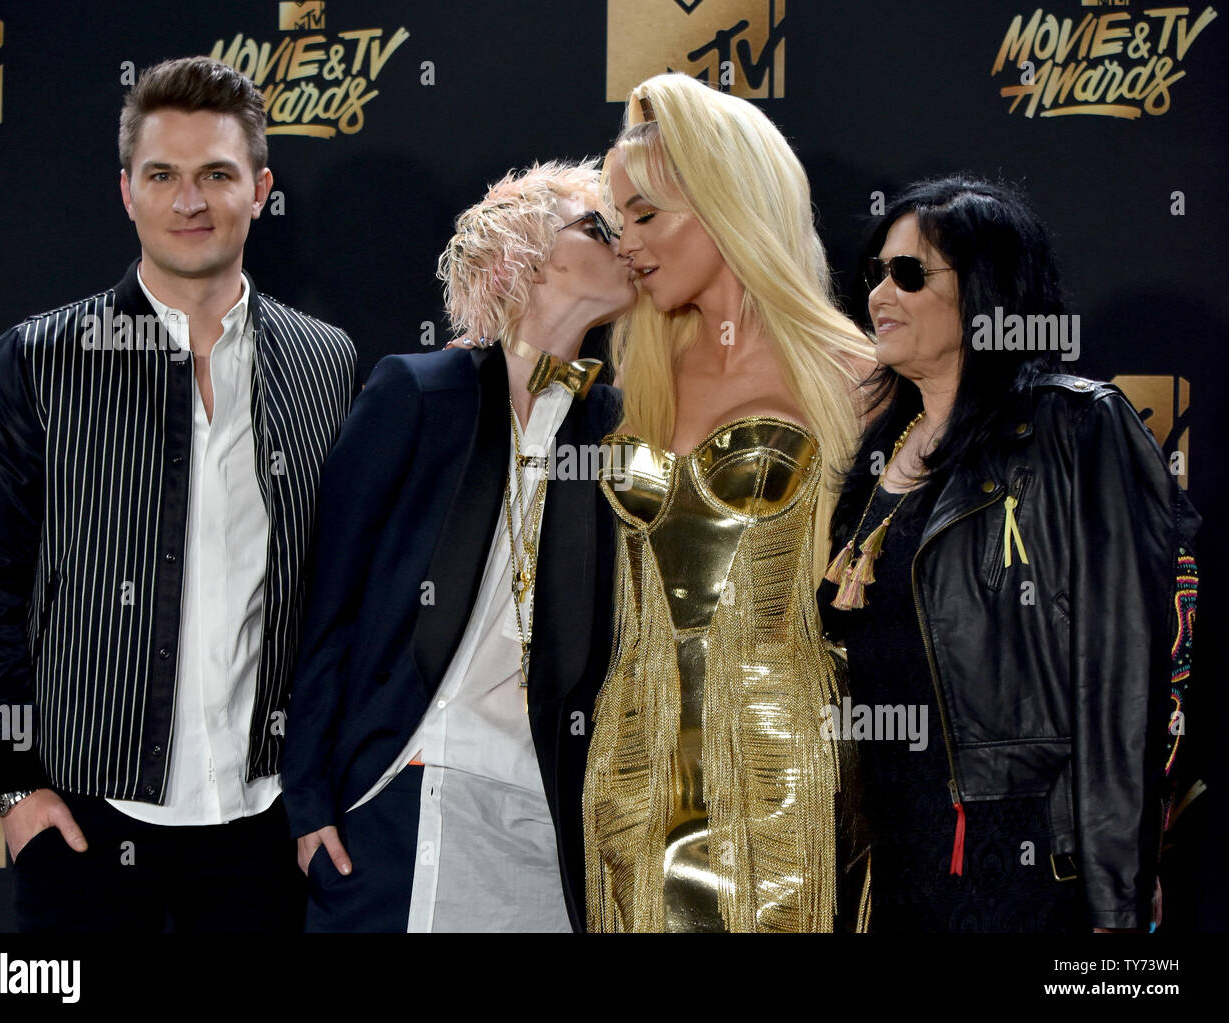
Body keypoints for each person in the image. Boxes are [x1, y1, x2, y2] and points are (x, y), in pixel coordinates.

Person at [0, 56, 358, 932]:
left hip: (265, 822)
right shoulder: (39, 360)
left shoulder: (327, 363)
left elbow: (343, 593)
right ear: (127, 191)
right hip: (85, 821)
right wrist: (13, 783)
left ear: (261, 188)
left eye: (216, 174)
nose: (189, 200)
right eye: (162, 174)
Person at [818, 175, 1199, 932]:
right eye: (874, 273)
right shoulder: (873, 448)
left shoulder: (1077, 428)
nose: (879, 295)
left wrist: (1115, 891)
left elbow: (1125, 676)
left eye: (910, 274)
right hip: (888, 860)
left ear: (987, 288)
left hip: (1018, 865)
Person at [281, 159, 634, 932]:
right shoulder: (418, 391)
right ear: (522, 258)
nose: (626, 242)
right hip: (411, 789)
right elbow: (327, 604)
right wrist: (308, 802)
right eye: (601, 227)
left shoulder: (616, 423)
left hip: (553, 813)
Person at [582, 73, 877, 932]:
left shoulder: (853, 376)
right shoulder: (639, 377)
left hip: (787, 781)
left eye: (646, 216)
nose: (627, 243)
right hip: (633, 771)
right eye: (617, 219)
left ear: (725, 204)